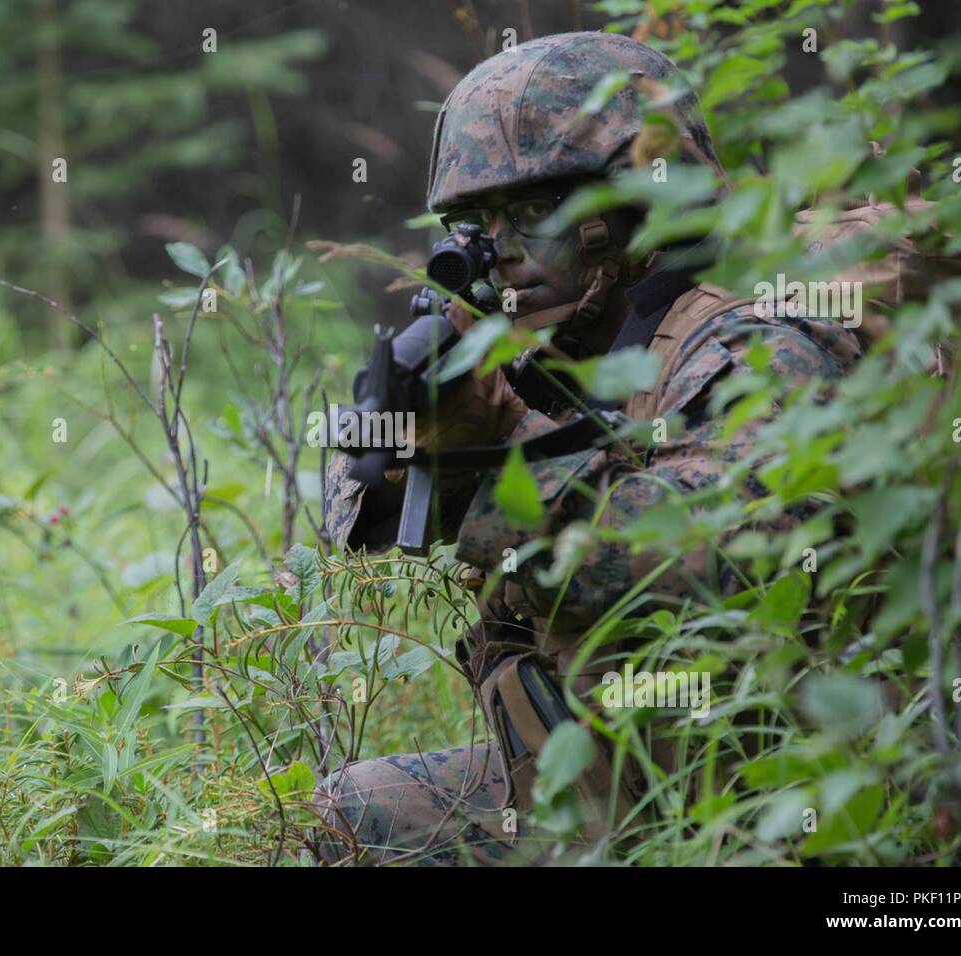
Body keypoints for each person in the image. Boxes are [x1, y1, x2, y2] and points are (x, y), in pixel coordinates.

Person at [313, 31, 861, 866]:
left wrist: (502, 449)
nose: (498, 251)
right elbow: (356, 505)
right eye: (477, 223)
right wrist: (418, 444)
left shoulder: (754, 349)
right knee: (353, 815)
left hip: (761, 794)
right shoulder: (551, 356)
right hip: (598, 775)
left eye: (534, 213)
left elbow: (707, 567)